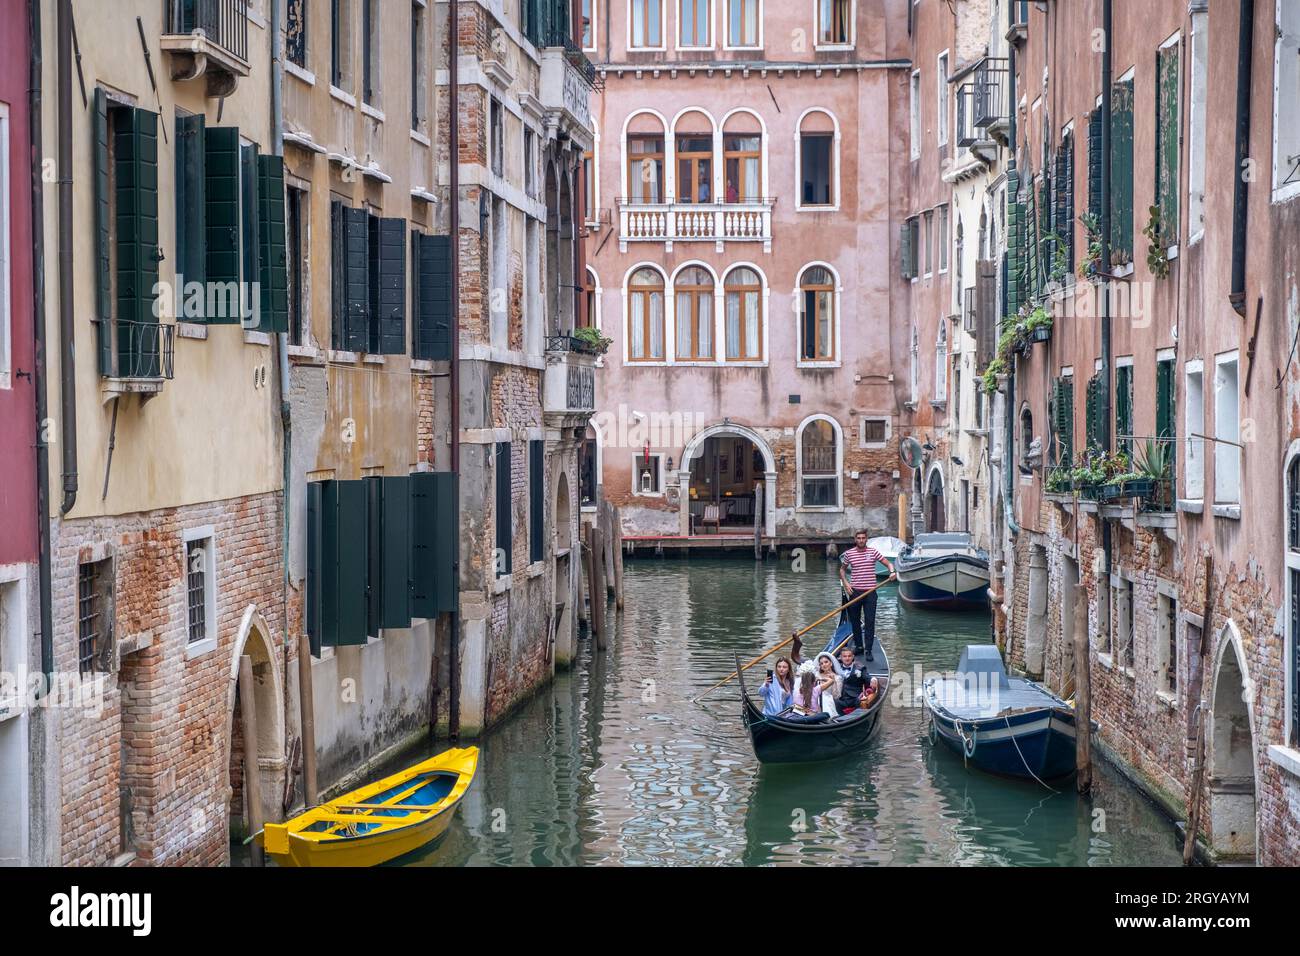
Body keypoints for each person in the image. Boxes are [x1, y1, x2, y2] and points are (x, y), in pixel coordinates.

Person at [839, 530, 893, 660]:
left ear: (866, 539)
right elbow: (842, 569)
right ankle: (859, 646)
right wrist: (846, 583)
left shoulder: (873, 552)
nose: (861, 540)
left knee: (870, 621)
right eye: (859, 538)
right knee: (855, 621)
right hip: (855, 592)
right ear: (855, 539)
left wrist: (892, 572)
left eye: (863, 538)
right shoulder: (849, 554)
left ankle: (868, 650)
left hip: (870, 592)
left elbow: (888, 563)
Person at [834, 645, 876, 715]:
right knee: (833, 701)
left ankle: (857, 718)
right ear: (841, 658)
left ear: (853, 657)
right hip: (841, 698)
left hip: (855, 698)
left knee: (859, 701)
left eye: (849, 656)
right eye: (844, 656)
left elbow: (867, 677)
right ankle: (838, 719)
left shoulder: (860, 668)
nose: (847, 658)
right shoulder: (836, 668)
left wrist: (873, 679)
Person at [813, 652, 841, 719]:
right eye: (821, 663)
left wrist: (833, 681)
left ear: (831, 663)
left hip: (829, 700)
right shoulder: (817, 675)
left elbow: (836, 696)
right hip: (815, 698)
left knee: (825, 698)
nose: (824, 665)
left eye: (826, 662)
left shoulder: (838, 677)